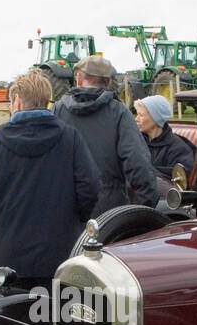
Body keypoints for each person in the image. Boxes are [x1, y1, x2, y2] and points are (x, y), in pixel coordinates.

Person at [0, 70, 99, 292]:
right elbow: (91, 187)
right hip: (61, 252)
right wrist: (73, 219)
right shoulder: (70, 138)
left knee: (14, 321)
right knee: (58, 321)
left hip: (11, 258)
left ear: (17, 101)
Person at [53, 54, 158, 217]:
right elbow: (139, 164)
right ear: (108, 82)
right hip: (108, 216)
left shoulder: (57, 111)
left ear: (79, 79)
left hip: (64, 212)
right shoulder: (120, 113)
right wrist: (139, 214)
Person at [134, 94, 194, 178]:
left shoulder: (179, 149)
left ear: (156, 118)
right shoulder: (135, 142)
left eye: (141, 115)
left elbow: (177, 179)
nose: (136, 119)